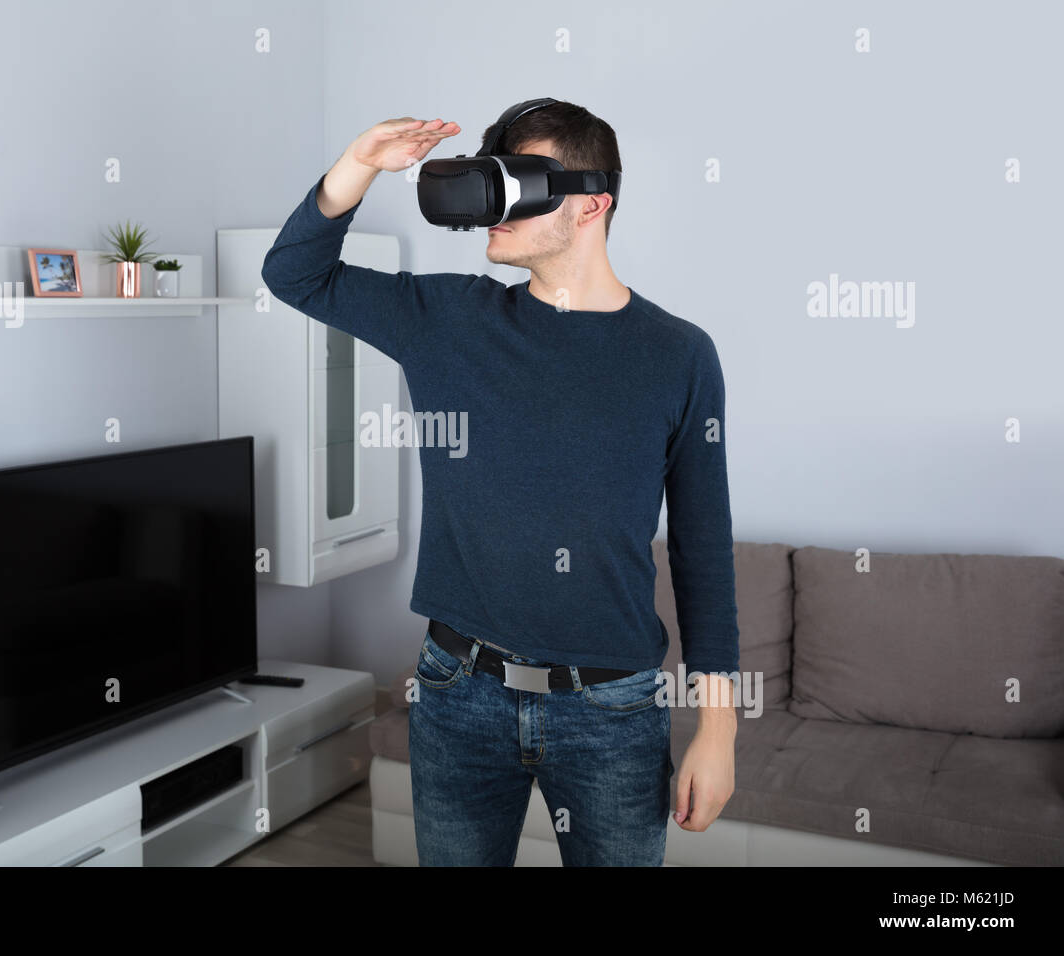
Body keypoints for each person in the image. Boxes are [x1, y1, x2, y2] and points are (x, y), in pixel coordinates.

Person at [261, 100, 738, 866]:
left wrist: (718, 733)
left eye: (519, 180)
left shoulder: (679, 355)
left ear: (591, 202)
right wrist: (360, 163)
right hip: (456, 694)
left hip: (611, 709)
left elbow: (705, 554)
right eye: (492, 178)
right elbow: (293, 273)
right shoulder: (448, 318)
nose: (493, 205)